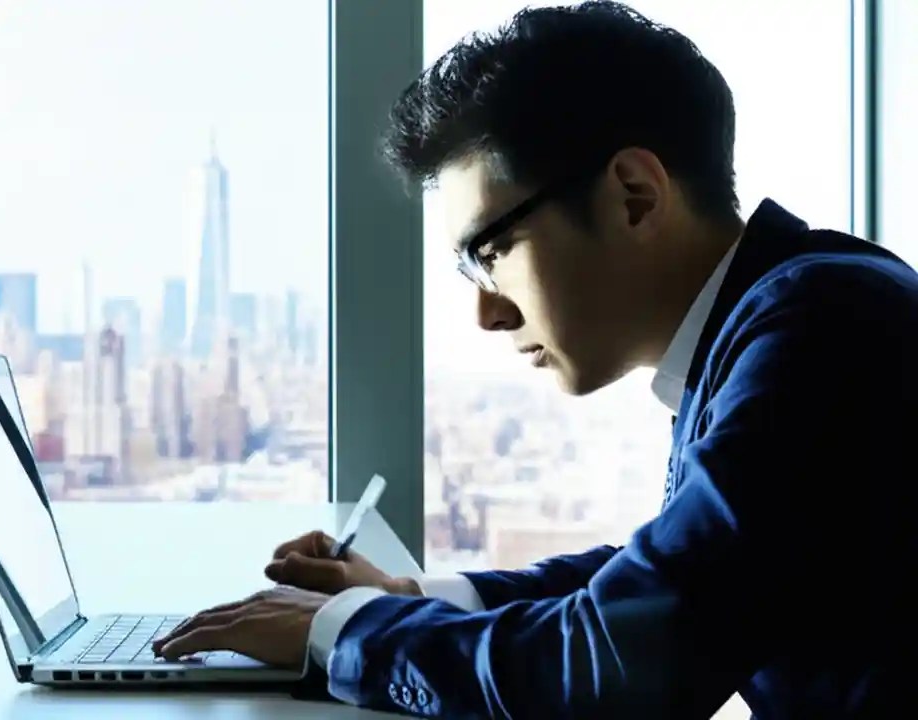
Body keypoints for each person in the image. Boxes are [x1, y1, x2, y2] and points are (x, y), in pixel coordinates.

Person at [154, 1, 917, 716]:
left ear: (635, 197)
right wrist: (410, 596)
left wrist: (346, 631)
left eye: (493, 251)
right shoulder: (784, 318)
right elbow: (671, 579)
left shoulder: (817, 331)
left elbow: (626, 657)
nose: (486, 312)